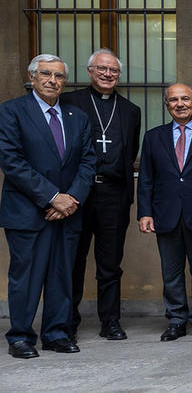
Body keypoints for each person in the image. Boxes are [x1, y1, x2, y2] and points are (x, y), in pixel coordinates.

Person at [0, 54, 94, 358]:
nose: (52, 81)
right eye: (45, 74)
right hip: (27, 212)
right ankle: (20, 337)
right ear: (32, 77)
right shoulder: (11, 111)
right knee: (26, 277)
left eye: (59, 76)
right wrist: (53, 197)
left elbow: (88, 162)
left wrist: (71, 199)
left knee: (62, 276)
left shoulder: (77, 116)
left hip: (68, 213)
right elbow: (12, 161)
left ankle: (56, 333)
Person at [61, 48, 141, 341]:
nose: (108, 74)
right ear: (90, 71)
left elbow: (129, 152)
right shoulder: (70, 102)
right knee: (73, 260)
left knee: (110, 263)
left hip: (113, 194)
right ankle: (67, 321)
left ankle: (111, 321)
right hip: (77, 193)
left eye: (113, 70)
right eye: (102, 69)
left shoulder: (131, 110)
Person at [137, 83, 192, 342]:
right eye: (173, 100)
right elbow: (146, 178)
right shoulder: (153, 137)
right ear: (167, 105)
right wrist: (145, 213)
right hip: (165, 214)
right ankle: (177, 320)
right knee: (171, 273)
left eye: (185, 99)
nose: (180, 104)